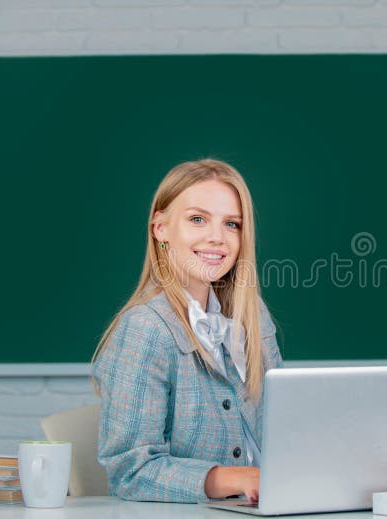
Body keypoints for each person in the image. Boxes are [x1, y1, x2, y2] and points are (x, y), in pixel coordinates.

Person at [91, 159, 282, 503]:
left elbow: (285, 428)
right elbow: (129, 472)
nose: (217, 238)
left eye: (232, 224)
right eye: (198, 219)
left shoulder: (254, 318)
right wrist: (235, 478)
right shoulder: (145, 329)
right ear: (160, 228)